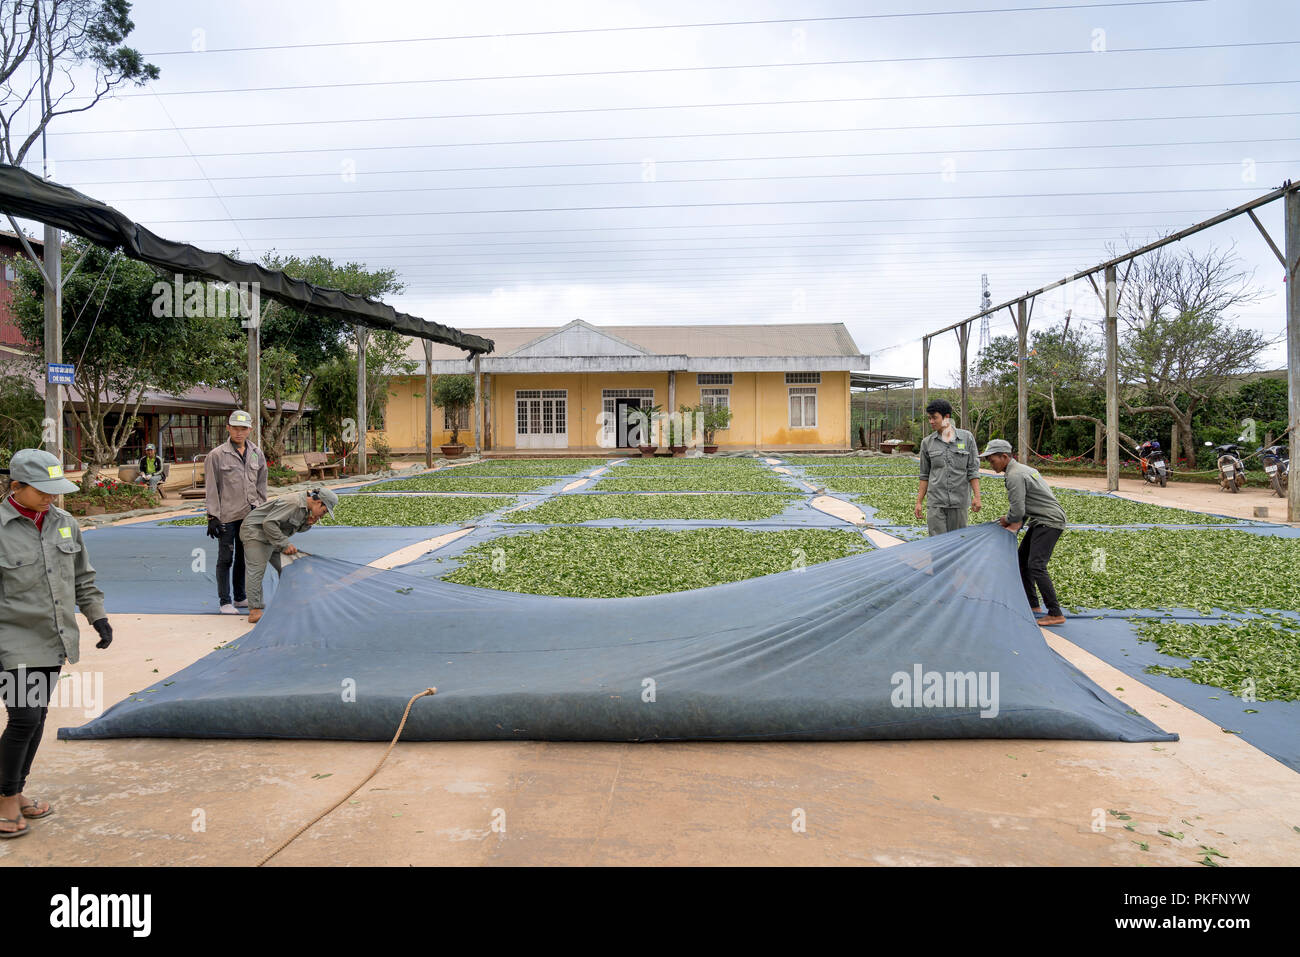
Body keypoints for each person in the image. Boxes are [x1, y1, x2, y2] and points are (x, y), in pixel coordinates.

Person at [0, 449, 113, 839]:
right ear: (16, 486)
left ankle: (15, 787)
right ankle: (6, 797)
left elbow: (83, 577)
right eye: (42, 490)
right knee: (24, 718)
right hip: (12, 640)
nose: (51, 497)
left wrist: (97, 616)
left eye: (55, 489)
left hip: (54, 638)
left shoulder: (64, 523)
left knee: (37, 717)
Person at [979, 438, 1069, 628]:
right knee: (1022, 561)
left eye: (992, 459)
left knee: (1036, 565)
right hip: (1041, 520)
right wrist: (1016, 526)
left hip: (1049, 522)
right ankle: (1033, 605)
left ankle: (1055, 613)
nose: (990, 463)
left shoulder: (1014, 475)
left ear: (1004, 456)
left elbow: (1018, 511)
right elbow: (1029, 504)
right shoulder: (1025, 470)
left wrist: (1007, 520)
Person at [238, 487, 338, 624]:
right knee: (256, 570)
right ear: (318, 502)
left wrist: (308, 523)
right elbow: (269, 523)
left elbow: (290, 527)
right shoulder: (293, 503)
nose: (322, 515)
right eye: (324, 511)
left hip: (273, 536)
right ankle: (254, 611)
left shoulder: (305, 509)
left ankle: (287, 603)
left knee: (288, 568)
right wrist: (284, 544)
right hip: (256, 532)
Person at [204, 410, 268, 615]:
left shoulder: (257, 452)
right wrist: (212, 516)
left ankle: (240, 597)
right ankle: (225, 601)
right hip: (227, 515)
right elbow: (211, 487)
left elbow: (262, 483)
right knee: (226, 558)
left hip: (249, 515)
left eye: (243, 429)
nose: (239, 433)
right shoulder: (216, 455)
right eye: (235, 428)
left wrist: (261, 508)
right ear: (228, 428)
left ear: (250, 429)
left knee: (244, 556)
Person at [914, 398, 982, 536]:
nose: (931, 422)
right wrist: (919, 502)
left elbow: (972, 470)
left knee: (957, 544)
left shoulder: (966, 438)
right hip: (936, 502)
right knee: (937, 544)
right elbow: (924, 475)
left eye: (934, 418)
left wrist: (977, 497)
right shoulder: (927, 443)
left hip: (959, 502)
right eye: (929, 418)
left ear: (946, 417)